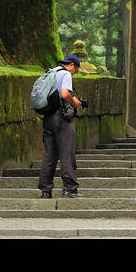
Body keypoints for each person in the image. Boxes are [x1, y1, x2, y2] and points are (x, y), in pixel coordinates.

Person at [38, 54, 86, 198]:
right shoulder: (65, 74)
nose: (74, 73)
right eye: (75, 70)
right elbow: (65, 94)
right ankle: (70, 189)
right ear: (71, 65)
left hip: (48, 117)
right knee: (67, 153)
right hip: (61, 117)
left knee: (49, 155)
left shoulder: (50, 73)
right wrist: (75, 102)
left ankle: (45, 190)